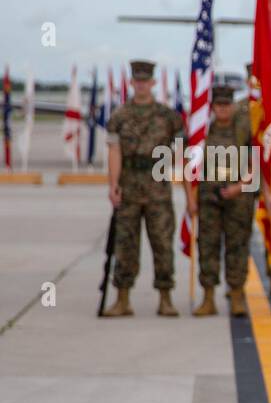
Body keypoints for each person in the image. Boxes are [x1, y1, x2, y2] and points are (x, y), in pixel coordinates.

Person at [102, 59, 185, 317]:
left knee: (162, 243)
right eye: (137, 81)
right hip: (128, 186)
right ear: (132, 83)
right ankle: (122, 299)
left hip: (158, 187)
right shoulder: (120, 116)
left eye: (145, 81)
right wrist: (113, 184)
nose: (141, 85)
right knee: (125, 244)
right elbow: (114, 151)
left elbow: (181, 150)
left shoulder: (168, 116)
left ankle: (165, 297)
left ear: (153, 83)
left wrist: (182, 179)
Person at [192, 84, 257, 316]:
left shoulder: (243, 132)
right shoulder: (203, 133)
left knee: (237, 246)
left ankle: (237, 294)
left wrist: (240, 187)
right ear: (212, 107)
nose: (222, 109)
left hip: (238, 198)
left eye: (226, 105)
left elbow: (255, 164)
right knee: (208, 246)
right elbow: (190, 166)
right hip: (210, 196)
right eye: (218, 105)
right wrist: (192, 199)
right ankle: (208, 297)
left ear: (232, 106)